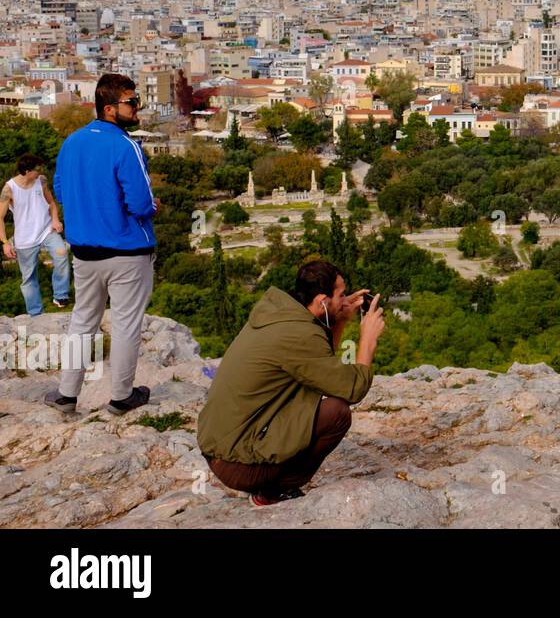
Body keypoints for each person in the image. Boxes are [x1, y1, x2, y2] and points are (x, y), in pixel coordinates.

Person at [197, 259, 385, 508]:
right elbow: (353, 388)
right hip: (238, 465)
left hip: (223, 449)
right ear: (321, 301)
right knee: (336, 413)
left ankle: (269, 483)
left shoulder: (280, 315)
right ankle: (274, 492)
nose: (345, 299)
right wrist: (368, 339)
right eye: (340, 295)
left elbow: (321, 361)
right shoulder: (299, 334)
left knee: (315, 400)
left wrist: (339, 318)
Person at [45, 74, 158, 417]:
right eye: (131, 102)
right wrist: (152, 207)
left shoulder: (71, 143)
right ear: (110, 109)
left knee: (82, 321)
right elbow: (140, 203)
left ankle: (67, 395)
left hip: (85, 251)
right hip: (127, 250)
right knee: (126, 323)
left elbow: (61, 192)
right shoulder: (126, 146)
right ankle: (122, 396)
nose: (137, 107)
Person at [1, 153, 70, 314]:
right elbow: (0, 217)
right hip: (25, 239)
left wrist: (55, 219)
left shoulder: (42, 181)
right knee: (29, 279)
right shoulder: (9, 188)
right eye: (36, 169)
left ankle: (60, 295)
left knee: (62, 255)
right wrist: (5, 242)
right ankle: (36, 313)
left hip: (46, 230)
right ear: (26, 171)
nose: (40, 171)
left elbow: (51, 203)